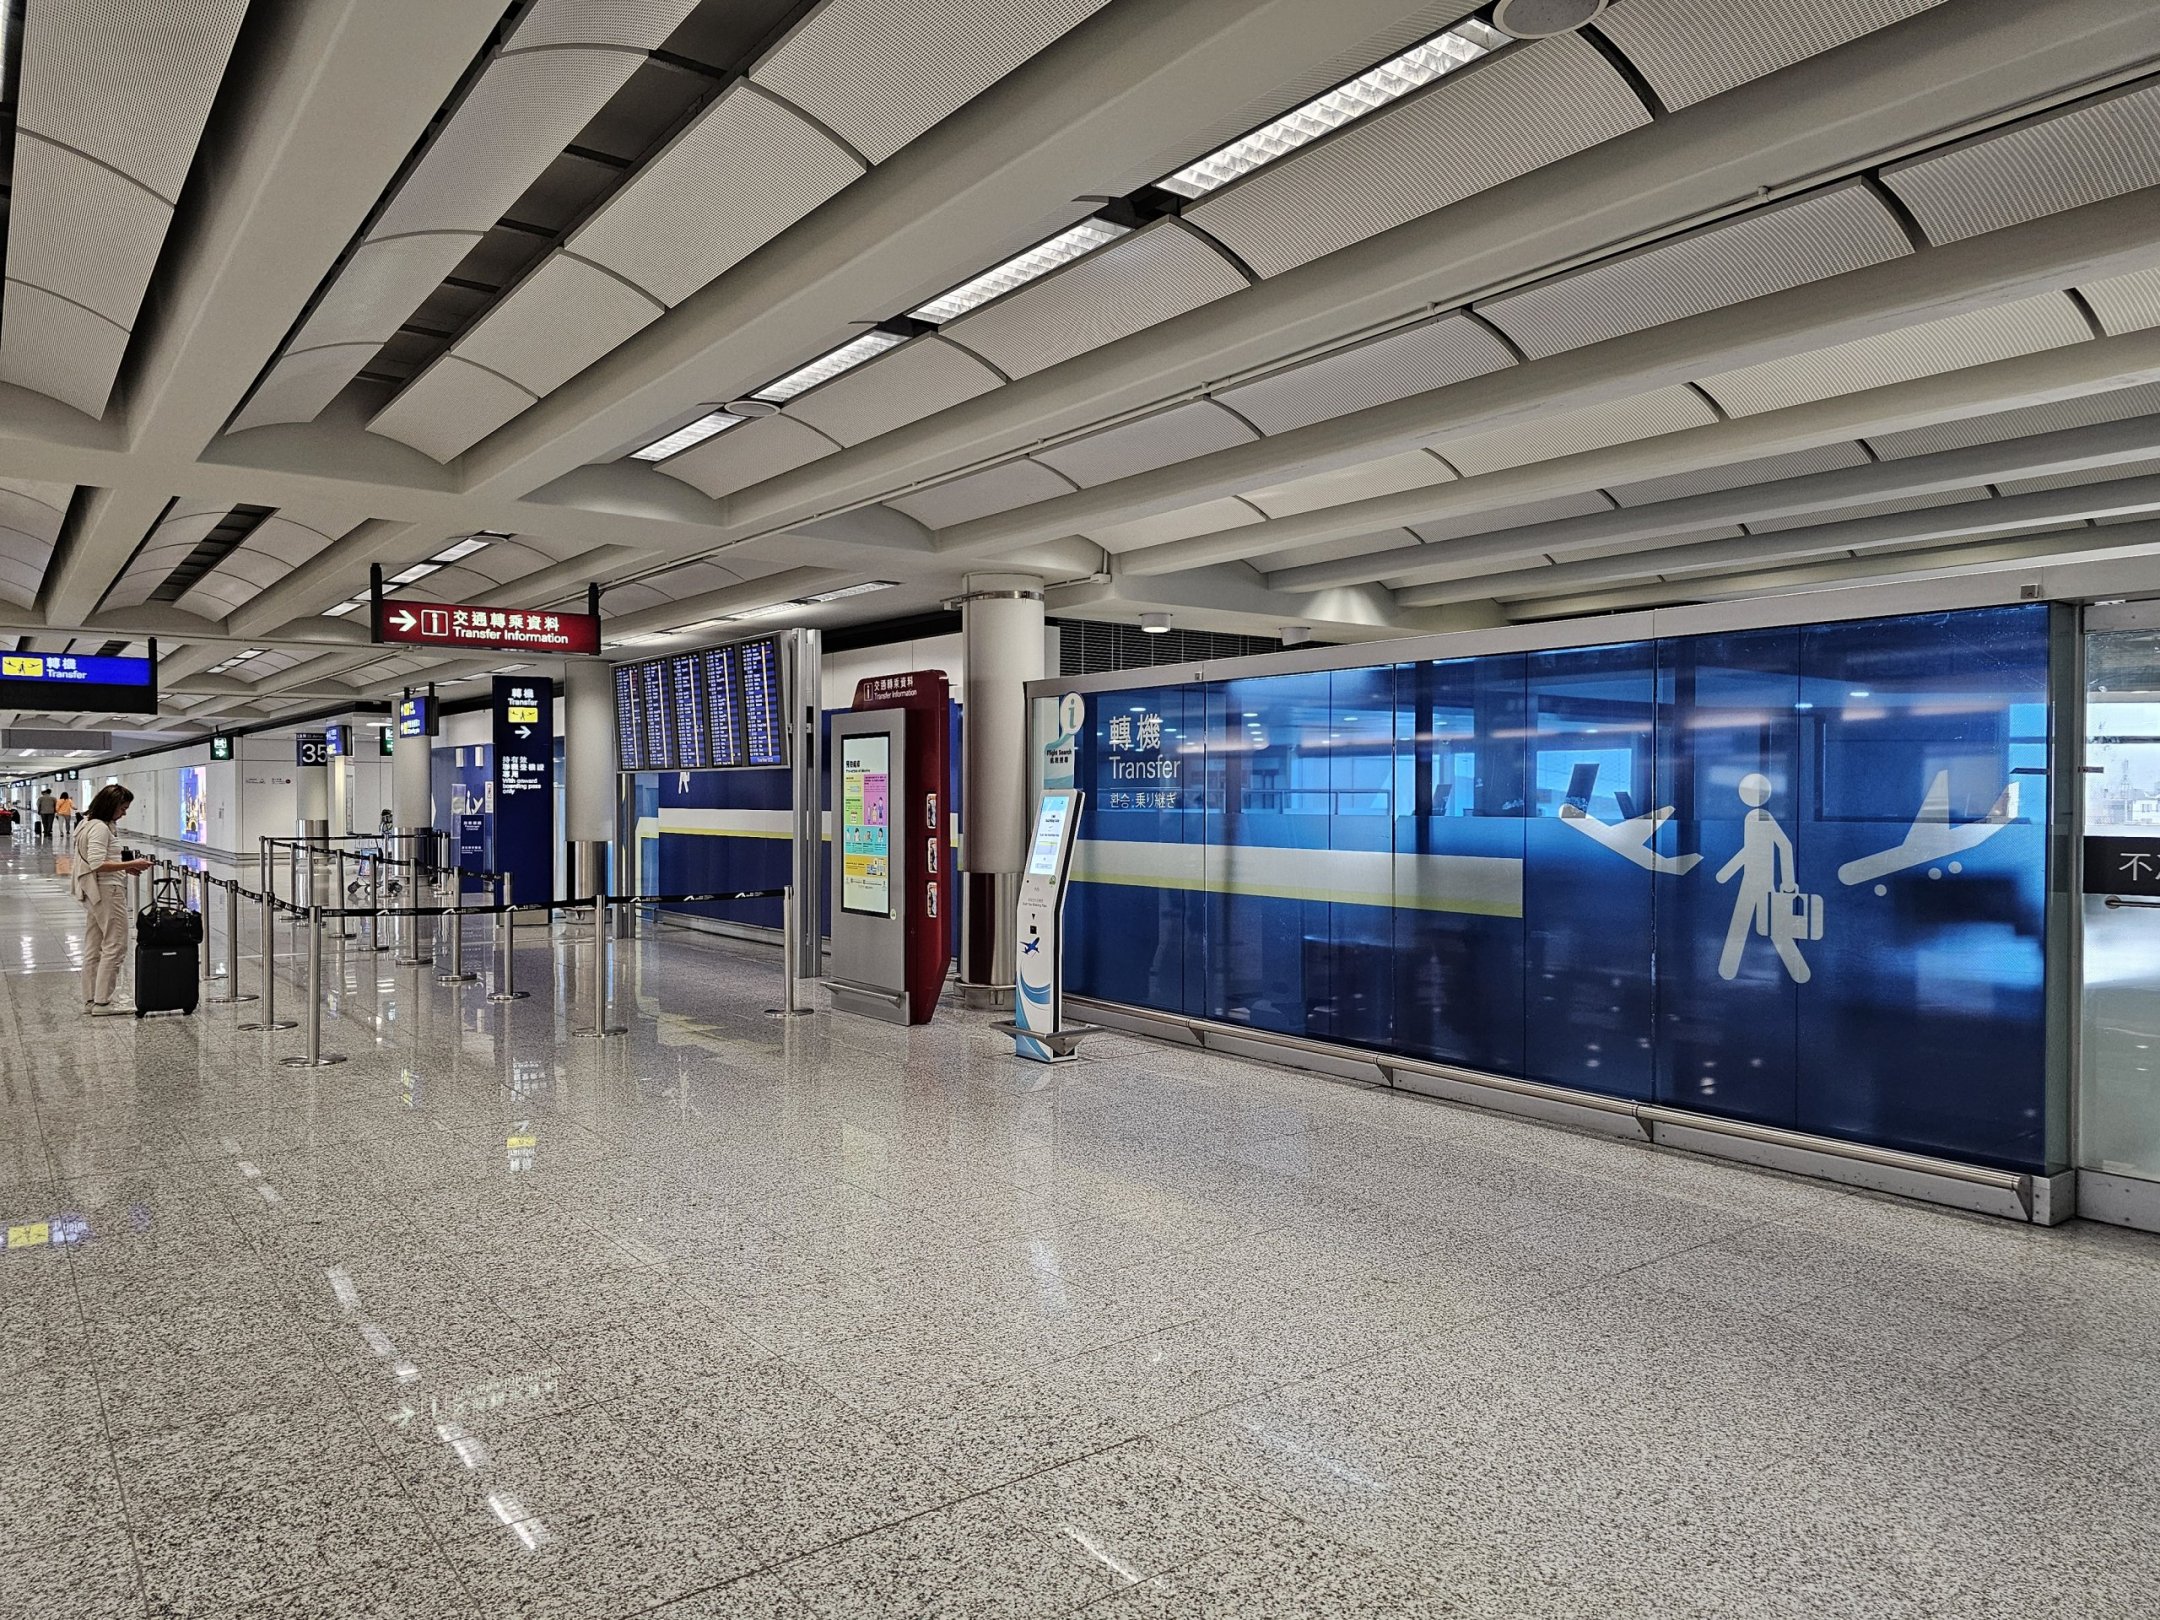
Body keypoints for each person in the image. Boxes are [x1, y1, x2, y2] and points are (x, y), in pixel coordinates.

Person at [71, 785, 153, 1015]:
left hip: (94, 891)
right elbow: (97, 862)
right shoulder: (100, 828)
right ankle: (103, 1002)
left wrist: (125, 868)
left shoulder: (86, 822)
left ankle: (92, 1000)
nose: (124, 813)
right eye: (123, 808)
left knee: (94, 945)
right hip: (108, 891)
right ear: (111, 805)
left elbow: (97, 860)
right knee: (115, 945)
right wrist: (131, 864)